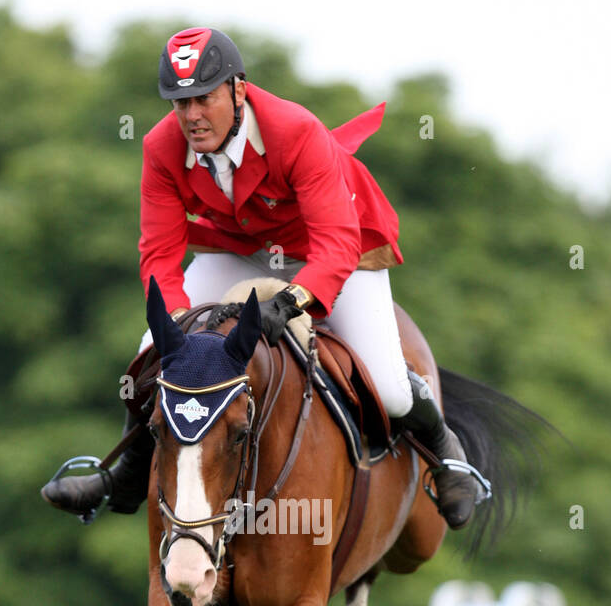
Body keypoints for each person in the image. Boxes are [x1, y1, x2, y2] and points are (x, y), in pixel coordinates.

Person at [42, 27, 483, 528]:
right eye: (179, 102)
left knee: (388, 388)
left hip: (336, 249)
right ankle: (126, 473)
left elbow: (335, 242)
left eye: (203, 98)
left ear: (238, 88)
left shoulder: (295, 130)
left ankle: (447, 451)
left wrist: (294, 300)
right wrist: (180, 324)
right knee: (151, 350)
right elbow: (159, 252)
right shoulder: (161, 147)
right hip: (245, 249)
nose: (190, 116)